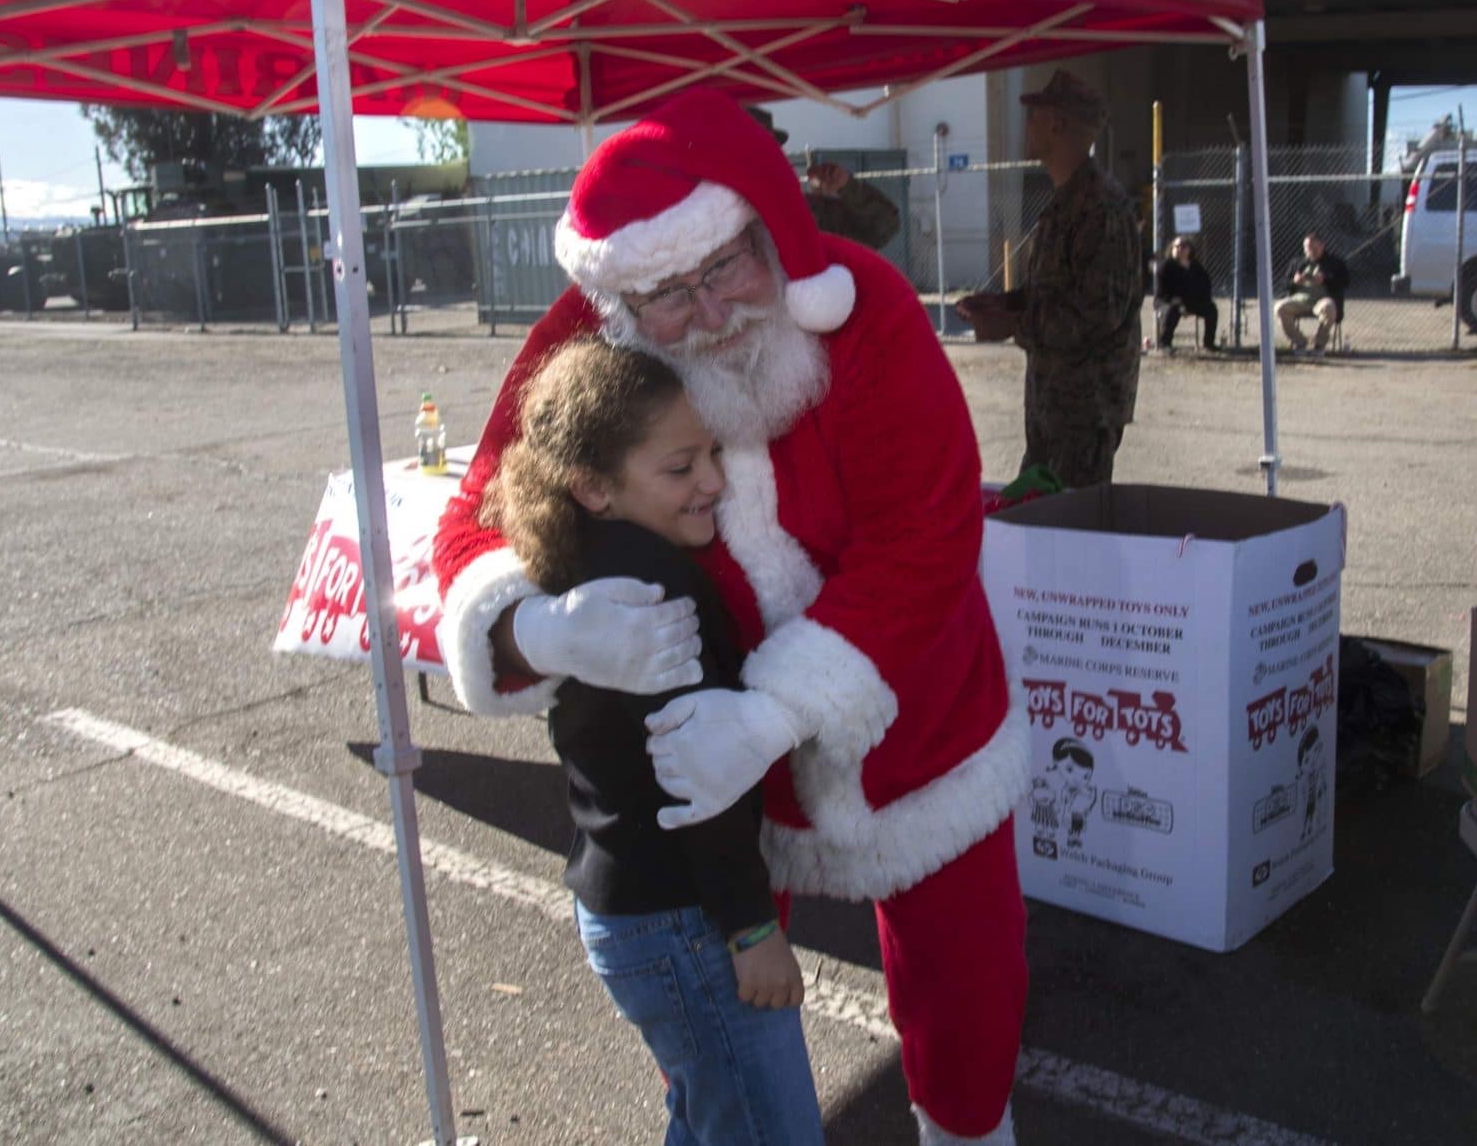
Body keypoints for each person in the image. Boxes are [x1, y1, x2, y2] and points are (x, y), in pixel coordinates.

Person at [432, 87, 1029, 1146]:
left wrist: (781, 707)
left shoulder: (864, 306)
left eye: (722, 268)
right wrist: (539, 631)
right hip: (716, 769)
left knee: (966, 994)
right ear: (619, 299)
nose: (705, 313)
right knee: (723, 1033)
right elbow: (476, 514)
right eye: (665, 295)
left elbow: (927, 533)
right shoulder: (591, 331)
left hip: (917, 715)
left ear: (766, 230)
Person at [479, 337, 823, 1145]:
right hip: (683, 921)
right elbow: (691, 768)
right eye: (680, 469)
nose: (712, 481)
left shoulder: (593, 555)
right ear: (594, 486)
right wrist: (749, 927)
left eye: (712, 454)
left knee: (710, 1115)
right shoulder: (650, 587)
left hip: (634, 910)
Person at [954, 70, 1143, 487]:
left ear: (1057, 123)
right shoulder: (1070, 200)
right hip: (1055, 401)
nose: (1029, 127)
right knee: (1039, 515)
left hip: (1083, 408)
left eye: (1035, 117)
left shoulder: (1101, 207)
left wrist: (1011, 324)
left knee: (1068, 531)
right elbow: (1057, 293)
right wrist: (1007, 303)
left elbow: (1097, 315)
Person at [747, 105, 901, 250]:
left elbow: (883, 228)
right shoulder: (727, 219)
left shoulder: (803, 212)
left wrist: (847, 186)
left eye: (771, 148)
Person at [1274, 233, 1349, 352]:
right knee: (1279, 308)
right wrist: (1295, 282)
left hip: (1322, 300)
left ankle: (1319, 344)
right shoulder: (1297, 263)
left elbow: (1345, 282)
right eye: (1307, 248)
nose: (1310, 251)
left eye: (1314, 248)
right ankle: (1299, 342)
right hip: (1300, 301)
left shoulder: (1335, 263)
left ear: (1322, 246)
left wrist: (1326, 279)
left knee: (1328, 306)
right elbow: (1283, 284)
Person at [1154, 235, 1217, 353]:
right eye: (1176, 246)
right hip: (1167, 301)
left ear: (1190, 249)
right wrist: (1176, 301)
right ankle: (1165, 344)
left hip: (1190, 301)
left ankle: (1209, 343)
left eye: (1183, 246)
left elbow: (1205, 286)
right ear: (1171, 249)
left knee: (1211, 309)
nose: (1179, 249)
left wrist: (1202, 300)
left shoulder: (1196, 267)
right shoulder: (1165, 266)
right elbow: (1162, 293)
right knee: (1172, 310)